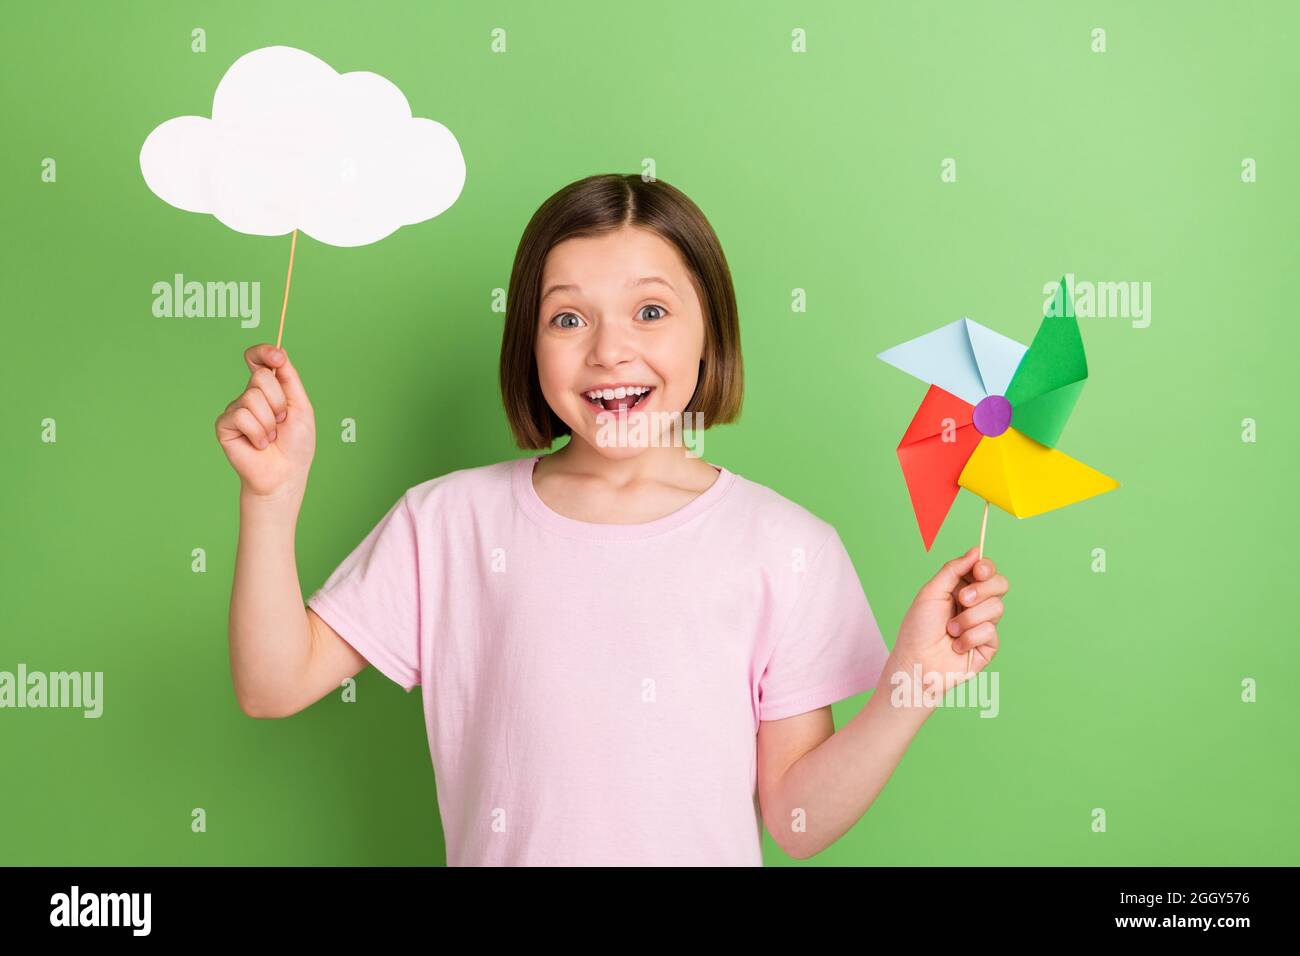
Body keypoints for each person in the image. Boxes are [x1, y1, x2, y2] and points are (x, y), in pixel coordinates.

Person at [216, 173, 1009, 865]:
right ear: (528, 341)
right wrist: (272, 499)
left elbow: (796, 824)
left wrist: (914, 683)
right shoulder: (447, 522)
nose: (609, 351)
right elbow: (272, 684)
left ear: (712, 331)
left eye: (652, 311)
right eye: (568, 318)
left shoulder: (787, 546)